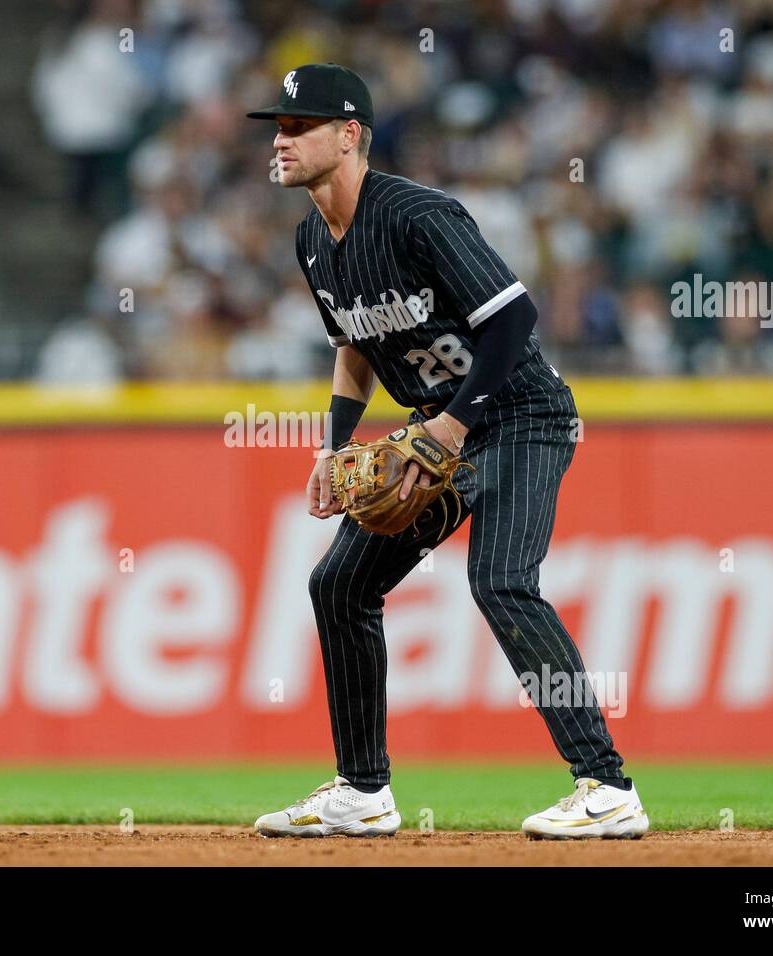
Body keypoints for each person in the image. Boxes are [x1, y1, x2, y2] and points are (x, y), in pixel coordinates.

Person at [245, 64, 648, 839]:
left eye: (300, 125)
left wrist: (451, 428)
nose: (281, 139)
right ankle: (363, 793)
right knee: (338, 584)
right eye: (279, 125)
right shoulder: (310, 240)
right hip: (439, 429)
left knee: (501, 582)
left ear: (351, 134)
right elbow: (353, 348)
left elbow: (514, 319)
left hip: (522, 415)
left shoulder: (419, 216)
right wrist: (331, 450)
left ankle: (607, 785)